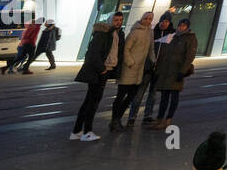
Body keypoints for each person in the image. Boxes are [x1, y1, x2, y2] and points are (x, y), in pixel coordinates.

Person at [71, 12, 124, 141]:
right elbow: (93, 54)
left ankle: (77, 131)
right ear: (110, 20)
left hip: (105, 70)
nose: (118, 22)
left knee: (89, 101)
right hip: (99, 72)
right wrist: (102, 70)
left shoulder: (118, 34)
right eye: (116, 20)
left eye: (120, 20)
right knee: (93, 102)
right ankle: (87, 132)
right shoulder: (103, 34)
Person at [147, 19, 197, 130]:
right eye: (179, 25)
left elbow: (189, 57)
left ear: (187, 27)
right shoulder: (173, 36)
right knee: (164, 96)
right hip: (166, 71)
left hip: (177, 71)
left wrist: (182, 71)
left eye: (183, 26)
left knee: (174, 96)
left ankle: (168, 119)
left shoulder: (190, 38)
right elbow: (165, 52)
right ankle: (159, 119)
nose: (180, 27)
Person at [110, 12, 154, 131]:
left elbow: (151, 49)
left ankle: (117, 119)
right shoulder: (135, 32)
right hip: (128, 70)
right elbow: (126, 49)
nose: (148, 20)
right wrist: (131, 63)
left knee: (130, 97)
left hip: (139, 71)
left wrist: (153, 61)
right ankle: (114, 121)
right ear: (142, 18)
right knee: (120, 96)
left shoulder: (150, 32)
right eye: (146, 18)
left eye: (150, 19)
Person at [137, 14, 175, 125]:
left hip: (160, 69)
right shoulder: (152, 32)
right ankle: (132, 117)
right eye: (163, 21)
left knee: (153, 94)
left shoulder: (171, 35)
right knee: (140, 92)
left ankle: (148, 115)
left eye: (167, 21)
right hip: (148, 67)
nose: (164, 23)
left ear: (169, 23)